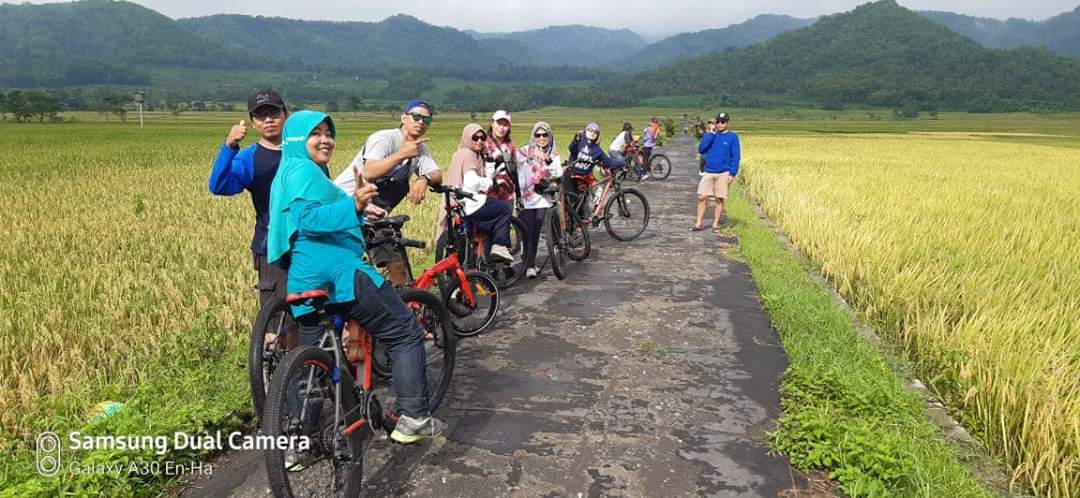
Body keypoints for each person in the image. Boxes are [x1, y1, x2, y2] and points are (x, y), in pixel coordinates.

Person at [267, 110, 444, 445]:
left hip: (305, 279)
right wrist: (354, 206)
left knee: (313, 364)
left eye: (328, 133)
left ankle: (300, 442)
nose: (325, 140)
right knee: (406, 331)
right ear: (296, 139)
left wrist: (358, 211)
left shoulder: (289, 170)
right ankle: (414, 417)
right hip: (338, 272)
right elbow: (308, 218)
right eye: (315, 133)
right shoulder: (304, 170)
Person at [334, 99, 443, 286]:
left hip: (374, 217)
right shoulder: (385, 138)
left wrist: (423, 179)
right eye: (416, 117)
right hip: (345, 210)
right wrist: (402, 154)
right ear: (403, 118)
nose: (421, 122)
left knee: (398, 268)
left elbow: (437, 174)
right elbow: (369, 171)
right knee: (346, 271)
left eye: (427, 120)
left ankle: (401, 301)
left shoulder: (420, 148)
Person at [208, 90, 293, 317]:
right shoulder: (249, 158)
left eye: (273, 113)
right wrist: (230, 145)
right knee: (276, 319)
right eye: (261, 116)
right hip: (272, 248)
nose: (268, 120)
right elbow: (219, 186)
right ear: (253, 123)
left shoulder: (304, 151)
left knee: (315, 314)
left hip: (309, 242)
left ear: (286, 115)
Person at [444, 124, 514, 262]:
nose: (480, 141)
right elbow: (472, 182)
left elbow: (485, 175)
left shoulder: (464, 153)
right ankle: (500, 245)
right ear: (467, 138)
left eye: (483, 138)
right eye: (475, 138)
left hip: (457, 202)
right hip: (469, 202)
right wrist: (491, 182)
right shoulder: (469, 155)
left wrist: (488, 159)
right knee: (504, 209)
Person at [516, 122, 562, 278]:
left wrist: (547, 159)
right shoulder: (524, 151)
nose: (541, 138)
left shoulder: (554, 154)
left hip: (543, 198)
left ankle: (530, 264)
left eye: (545, 135)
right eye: (538, 135)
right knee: (526, 231)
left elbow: (558, 173)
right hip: (526, 198)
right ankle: (527, 260)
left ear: (550, 136)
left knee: (535, 231)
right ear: (533, 136)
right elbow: (512, 164)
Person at [693, 112, 740, 233]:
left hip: (724, 172)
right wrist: (710, 134)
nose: (719, 124)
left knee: (719, 198)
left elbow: (736, 156)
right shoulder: (711, 136)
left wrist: (732, 173)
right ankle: (699, 222)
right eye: (717, 122)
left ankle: (716, 223)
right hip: (709, 170)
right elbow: (701, 149)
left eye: (722, 122)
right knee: (702, 196)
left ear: (727, 123)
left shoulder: (732, 137)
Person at [564, 122, 619, 221]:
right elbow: (571, 149)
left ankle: (579, 224)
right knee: (571, 200)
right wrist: (575, 140)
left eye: (595, 132)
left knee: (581, 203)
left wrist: (622, 162)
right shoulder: (579, 142)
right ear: (585, 131)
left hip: (583, 180)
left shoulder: (598, 151)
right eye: (590, 130)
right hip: (571, 175)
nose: (592, 133)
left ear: (598, 135)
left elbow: (609, 162)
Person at [483, 110, 519, 204]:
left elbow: (515, 169)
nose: (501, 128)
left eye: (505, 125)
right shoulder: (483, 143)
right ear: (492, 123)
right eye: (499, 123)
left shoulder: (510, 145)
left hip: (508, 194)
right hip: (488, 194)